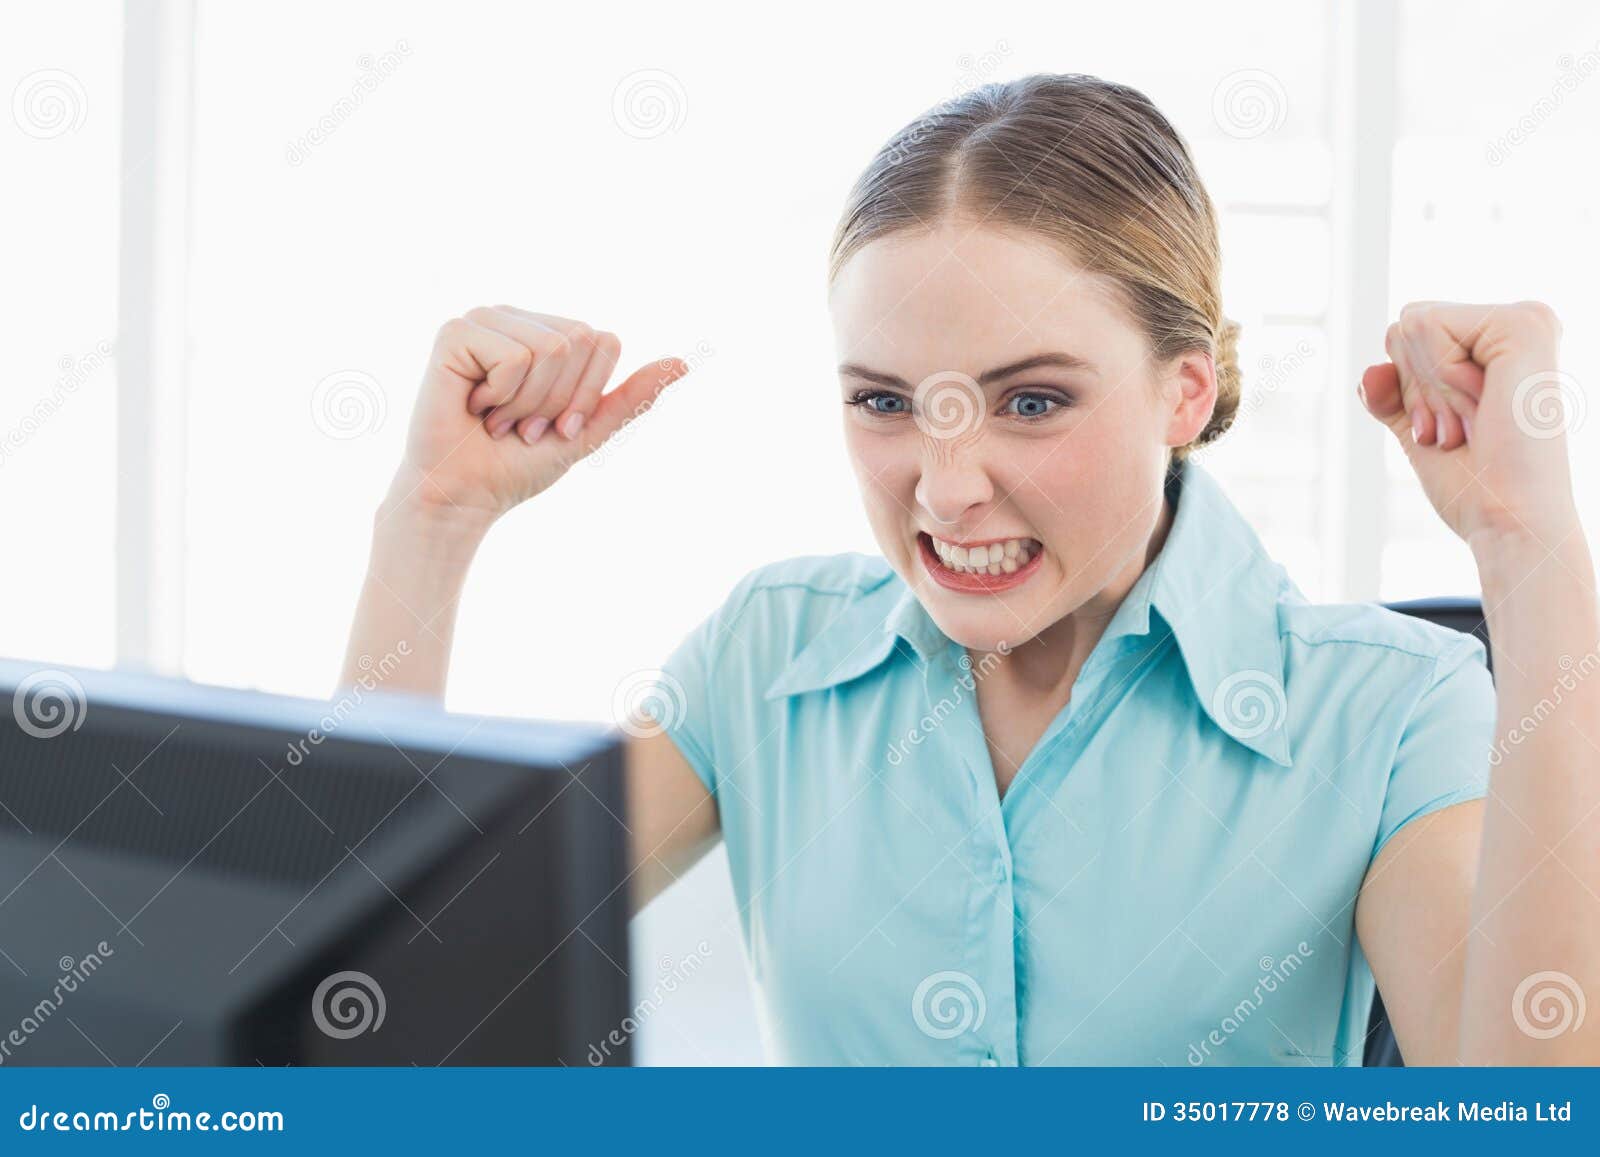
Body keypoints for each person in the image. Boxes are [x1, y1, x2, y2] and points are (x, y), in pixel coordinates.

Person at [340, 73, 1598, 1066]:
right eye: (885, 400)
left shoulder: (1392, 712)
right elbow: (392, 983)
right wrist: (432, 519)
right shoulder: (770, 655)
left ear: (1185, 389)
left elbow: (1525, 1109)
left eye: (1032, 401)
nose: (944, 488)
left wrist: (1525, 547)